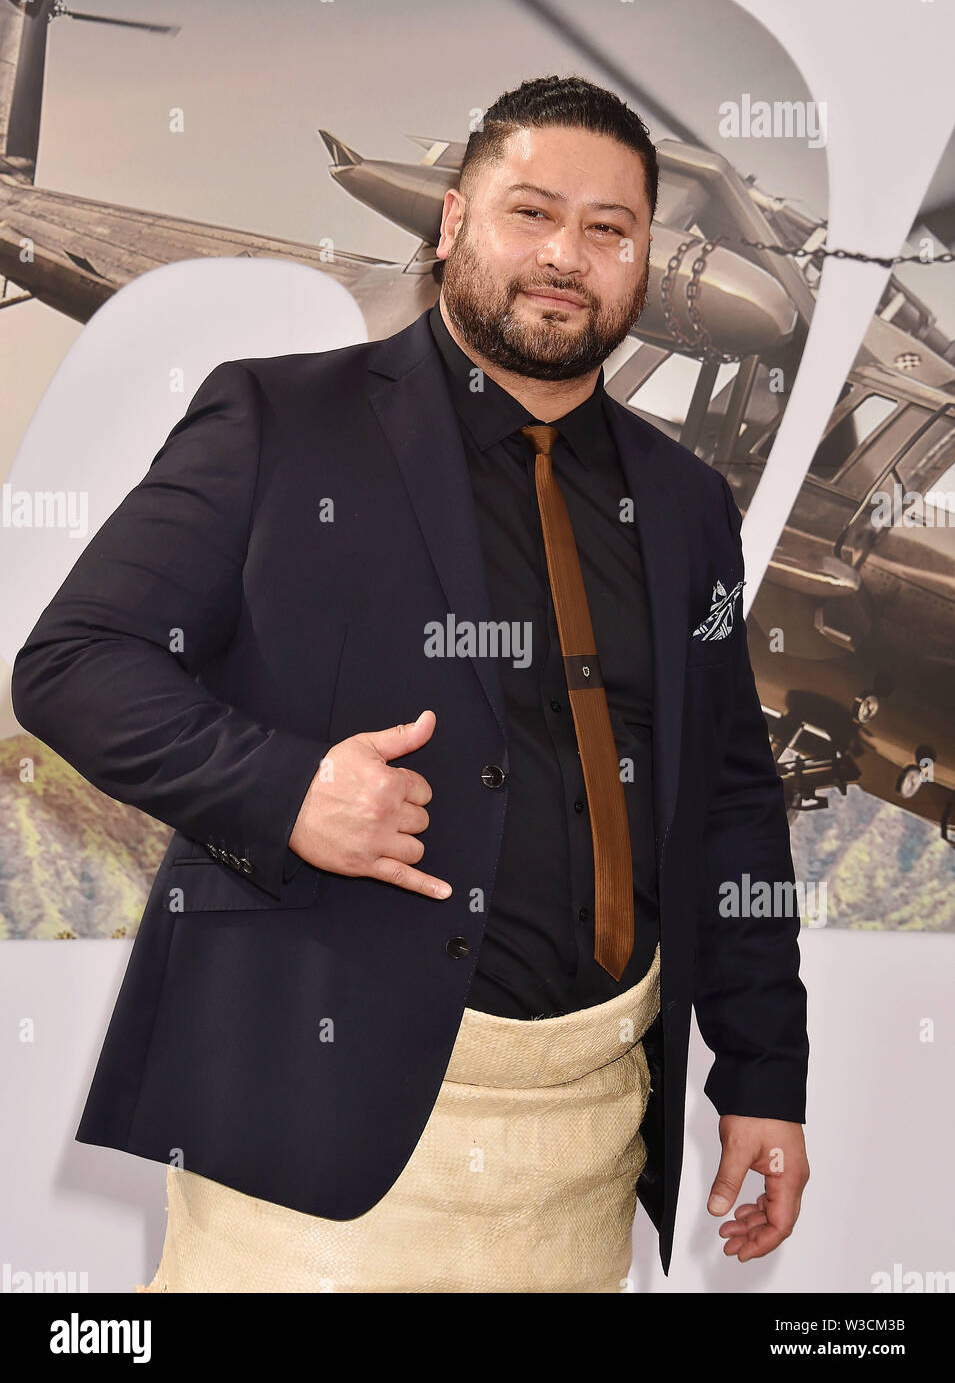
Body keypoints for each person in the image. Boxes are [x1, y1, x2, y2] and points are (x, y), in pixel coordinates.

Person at [11, 74, 809, 1293]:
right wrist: (284, 791)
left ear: (645, 263)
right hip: (313, 1133)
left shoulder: (691, 504)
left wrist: (761, 1074)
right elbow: (71, 664)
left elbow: (731, 800)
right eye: (531, 213)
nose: (567, 257)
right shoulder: (281, 420)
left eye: (609, 231)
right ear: (450, 225)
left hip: (585, 1147)